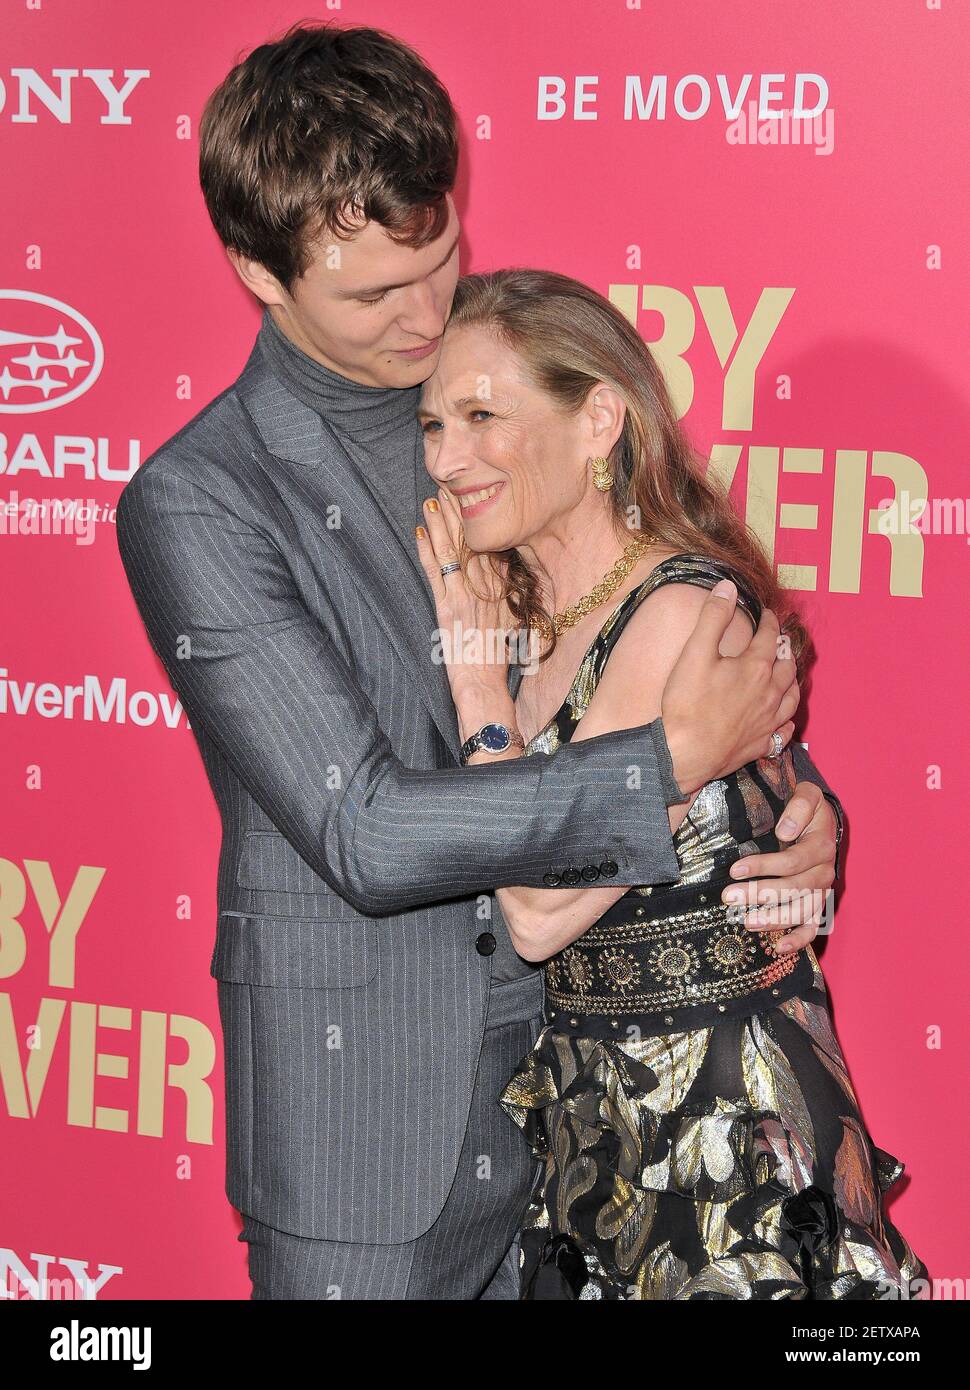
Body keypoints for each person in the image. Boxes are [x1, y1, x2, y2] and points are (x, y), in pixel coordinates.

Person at [115, 22, 842, 1300]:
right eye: (373, 295)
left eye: (439, 259)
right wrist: (674, 763)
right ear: (258, 271)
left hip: (581, 1116)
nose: (423, 317)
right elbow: (366, 829)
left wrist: (783, 798)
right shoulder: (200, 500)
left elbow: (641, 612)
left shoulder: (498, 387)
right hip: (365, 1136)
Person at [414, 265, 927, 1301]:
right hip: (594, 1125)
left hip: (723, 1137)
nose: (447, 458)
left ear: (598, 419)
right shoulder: (514, 600)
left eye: (480, 415)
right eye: (431, 425)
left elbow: (540, 908)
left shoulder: (678, 613)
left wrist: (475, 687)